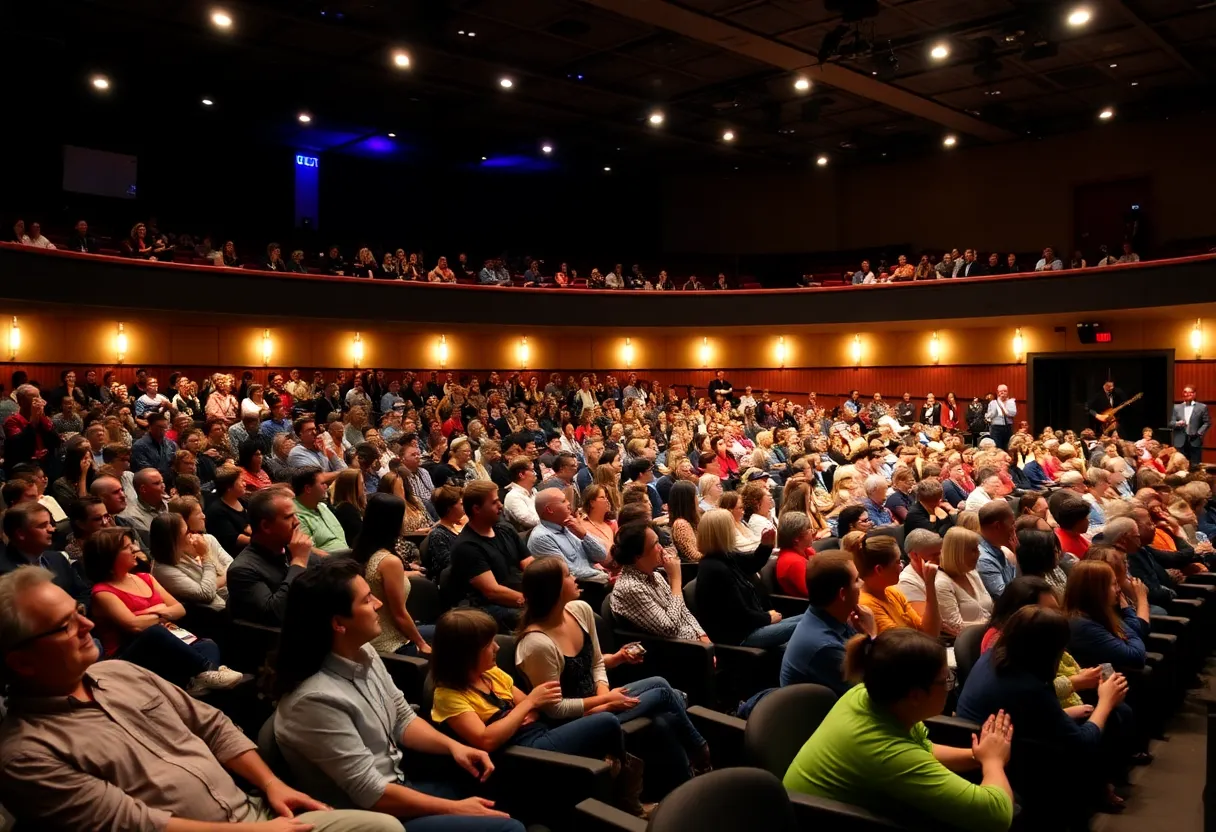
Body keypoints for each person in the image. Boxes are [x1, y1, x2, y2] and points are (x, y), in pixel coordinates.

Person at [0, 567, 403, 832]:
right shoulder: (26, 752)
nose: (87, 625)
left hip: (253, 811)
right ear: (21, 661)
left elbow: (211, 724)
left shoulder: (118, 672)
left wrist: (272, 784)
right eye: (65, 625)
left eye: (80, 611)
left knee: (383, 829)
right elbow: (134, 823)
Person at [271, 559, 522, 832]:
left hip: (402, 785)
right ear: (339, 624)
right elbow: (370, 793)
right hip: (377, 818)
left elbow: (402, 718)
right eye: (367, 600)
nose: (378, 604)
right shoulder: (313, 701)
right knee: (508, 827)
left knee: (510, 786)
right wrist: (457, 808)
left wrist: (454, 747)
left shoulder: (363, 652)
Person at [783, 628, 1015, 832]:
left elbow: (924, 749)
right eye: (945, 679)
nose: (949, 687)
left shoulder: (867, 695)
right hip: (821, 821)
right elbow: (997, 816)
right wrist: (993, 762)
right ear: (915, 695)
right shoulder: (887, 753)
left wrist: (980, 756)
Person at [428, 607, 648, 813]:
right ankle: (625, 795)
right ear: (466, 654)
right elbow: (486, 740)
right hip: (518, 755)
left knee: (633, 709)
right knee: (606, 721)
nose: (497, 647)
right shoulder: (448, 696)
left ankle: (619, 784)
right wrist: (525, 708)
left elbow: (536, 709)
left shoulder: (491, 674)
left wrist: (516, 716)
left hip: (539, 733)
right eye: (488, 644)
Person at [514, 557, 711, 779]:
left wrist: (606, 697)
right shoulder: (537, 644)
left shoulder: (579, 610)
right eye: (568, 575)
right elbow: (555, 709)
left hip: (599, 702)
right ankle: (702, 754)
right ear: (554, 589)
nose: (575, 578)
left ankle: (689, 773)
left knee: (661, 693)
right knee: (666, 695)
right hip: (575, 720)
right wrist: (604, 704)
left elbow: (596, 663)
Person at [956, 606, 1131, 811]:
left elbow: (1023, 712)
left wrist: (1061, 714)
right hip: (1016, 757)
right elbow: (1082, 743)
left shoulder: (995, 655)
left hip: (994, 736)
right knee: (1105, 717)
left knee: (1091, 714)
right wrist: (1106, 702)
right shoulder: (1029, 686)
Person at [82, 526, 243, 693]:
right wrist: (162, 611)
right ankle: (209, 670)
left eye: (133, 545)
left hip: (167, 640)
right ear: (109, 556)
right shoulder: (102, 592)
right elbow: (134, 626)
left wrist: (149, 614)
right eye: (127, 547)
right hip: (127, 655)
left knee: (207, 645)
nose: (135, 549)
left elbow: (180, 609)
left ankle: (195, 682)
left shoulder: (145, 578)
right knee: (154, 632)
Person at [694, 508, 800, 647]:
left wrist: (765, 545)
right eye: (731, 527)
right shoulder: (714, 569)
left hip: (751, 624)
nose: (734, 531)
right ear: (722, 533)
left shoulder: (725, 555)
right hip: (740, 636)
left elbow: (752, 563)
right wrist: (767, 618)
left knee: (813, 617)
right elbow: (739, 615)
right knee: (811, 622)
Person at [350, 492, 434, 656]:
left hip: (371, 638)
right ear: (393, 522)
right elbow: (399, 614)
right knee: (452, 636)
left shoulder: (362, 550)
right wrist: (422, 644)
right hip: (391, 643)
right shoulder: (389, 562)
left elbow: (376, 581)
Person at [781, 551, 876, 692]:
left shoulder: (832, 616)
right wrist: (872, 635)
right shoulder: (824, 647)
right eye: (856, 580)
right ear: (842, 594)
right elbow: (875, 689)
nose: (862, 583)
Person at [227, 487, 323, 625]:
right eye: (288, 517)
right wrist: (299, 563)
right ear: (266, 526)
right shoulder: (242, 570)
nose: (297, 522)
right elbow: (275, 614)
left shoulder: (291, 548)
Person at [449, 481, 532, 631]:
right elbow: (492, 592)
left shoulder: (504, 528)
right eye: (494, 502)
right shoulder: (467, 547)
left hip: (520, 594)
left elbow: (528, 563)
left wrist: (546, 586)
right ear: (476, 509)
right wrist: (531, 601)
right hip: (489, 608)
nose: (500, 506)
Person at [609, 520, 709, 642]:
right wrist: (675, 580)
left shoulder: (656, 575)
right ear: (638, 557)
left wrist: (702, 635)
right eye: (655, 544)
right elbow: (669, 628)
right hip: (678, 652)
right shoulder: (630, 588)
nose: (661, 548)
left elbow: (683, 612)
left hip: (698, 645)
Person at [1063, 560, 1149, 670]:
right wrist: (1126, 630)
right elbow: (1135, 656)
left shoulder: (1096, 611)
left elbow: (1137, 631)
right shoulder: (1082, 624)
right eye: (1114, 584)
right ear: (1098, 590)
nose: (1118, 589)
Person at [857, 534, 943, 636]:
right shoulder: (866, 604)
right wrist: (929, 585)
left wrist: (930, 585)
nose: (901, 566)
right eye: (897, 562)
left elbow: (930, 632)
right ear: (879, 570)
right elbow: (900, 646)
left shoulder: (892, 591)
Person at [149, 508, 231, 612]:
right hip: (213, 616)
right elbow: (206, 593)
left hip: (227, 601)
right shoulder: (163, 570)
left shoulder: (181, 552)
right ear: (173, 540)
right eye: (187, 532)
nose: (191, 534)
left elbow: (232, 568)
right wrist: (206, 556)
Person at [528, 488, 609, 583]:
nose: (569, 504)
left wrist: (584, 535)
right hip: (581, 586)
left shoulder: (569, 526)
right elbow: (567, 572)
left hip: (596, 580)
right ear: (549, 510)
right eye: (563, 501)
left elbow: (601, 556)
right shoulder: (541, 538)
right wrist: (601, 575)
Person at [935, 526, 993, 633]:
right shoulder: (942, 584)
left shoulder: (972, 573)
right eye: (973, 550)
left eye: (978, 549)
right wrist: (992, 626)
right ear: (958, 553)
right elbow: (955, 627)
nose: (979, 554)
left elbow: (990, 610)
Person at [293, 467, 349, 554]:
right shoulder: (295, 516)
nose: (326, 486)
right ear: (308, 488)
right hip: (328, 563)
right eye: (322, 483)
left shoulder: (322, 506)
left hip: (346, 554)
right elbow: (308, 551)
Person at [976, 500, 1017, 599]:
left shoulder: (996, 547)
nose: (1014, 529)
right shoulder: (983, 559)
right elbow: (1006, 597)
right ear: (997, 526)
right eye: (1012, 524)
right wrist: (1018, 558)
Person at [774, 510, 816, 596]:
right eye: (809, 530)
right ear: (797, 538)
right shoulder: (794, 562)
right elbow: (814, 594)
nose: (813, 532)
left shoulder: (807, 550)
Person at [1172, 385, 1210, 467]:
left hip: (1195, 440)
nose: (1187, 394)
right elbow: (1171, 423)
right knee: (1180, 466)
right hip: (1180, 441)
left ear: (1194, 394)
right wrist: (1177, 423)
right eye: (1185, 392)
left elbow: (1207, 423)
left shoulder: (1202, 407)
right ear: (1183, 394)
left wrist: (1199, 433)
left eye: (1190, 392)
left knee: (1195, 466)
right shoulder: (1177, 407)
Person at [985, 385, 1017, 450]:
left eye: (1005, 391)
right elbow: (989, 415)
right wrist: (994, 410)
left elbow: (1013, 413)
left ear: (1007, 392)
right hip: (996, 428)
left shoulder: (1011, 402)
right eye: (1001, 391)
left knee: (1008, 447)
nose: (1003, 393)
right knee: (997, 447)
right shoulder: (993, 403)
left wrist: (1004, 407)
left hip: (1007, 427)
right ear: (998, 393)